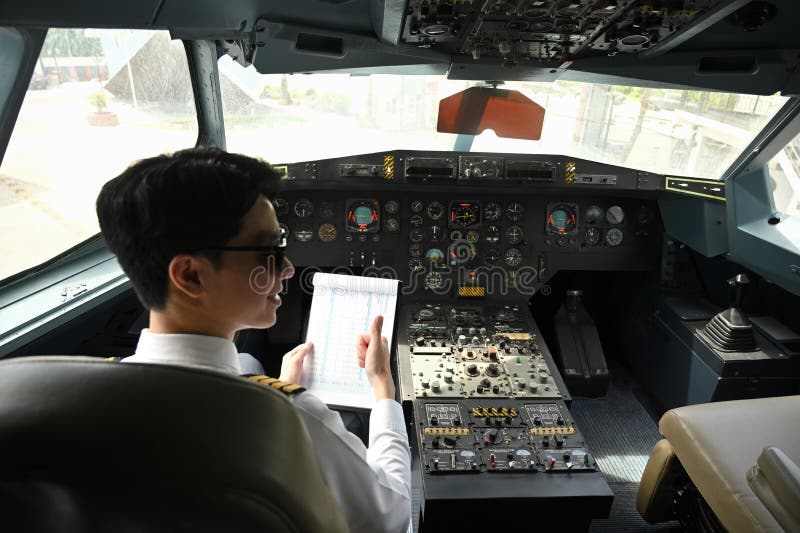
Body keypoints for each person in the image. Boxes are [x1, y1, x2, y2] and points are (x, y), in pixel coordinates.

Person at [95, 146, 412, 533]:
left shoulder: (87, 398)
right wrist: (383, 391)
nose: (289, 268)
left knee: (248, 364)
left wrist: (283, 389)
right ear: (191, 276)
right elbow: (393, 517)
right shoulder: (294, 419)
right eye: (269, 250)